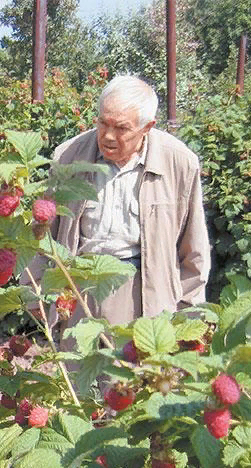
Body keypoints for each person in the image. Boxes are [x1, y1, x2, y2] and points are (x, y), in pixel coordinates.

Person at [45, 75, 211, 325]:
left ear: (147, 127)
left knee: (133, 363)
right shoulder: (69, 156)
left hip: (141, 292)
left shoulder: (179, 162)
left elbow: (194, 244)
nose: (108, 136)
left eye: (121, 128)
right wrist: (35, 292)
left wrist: (187, 307)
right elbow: (43, 232)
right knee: (78, 363)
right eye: (102, 123)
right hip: (79, 288)